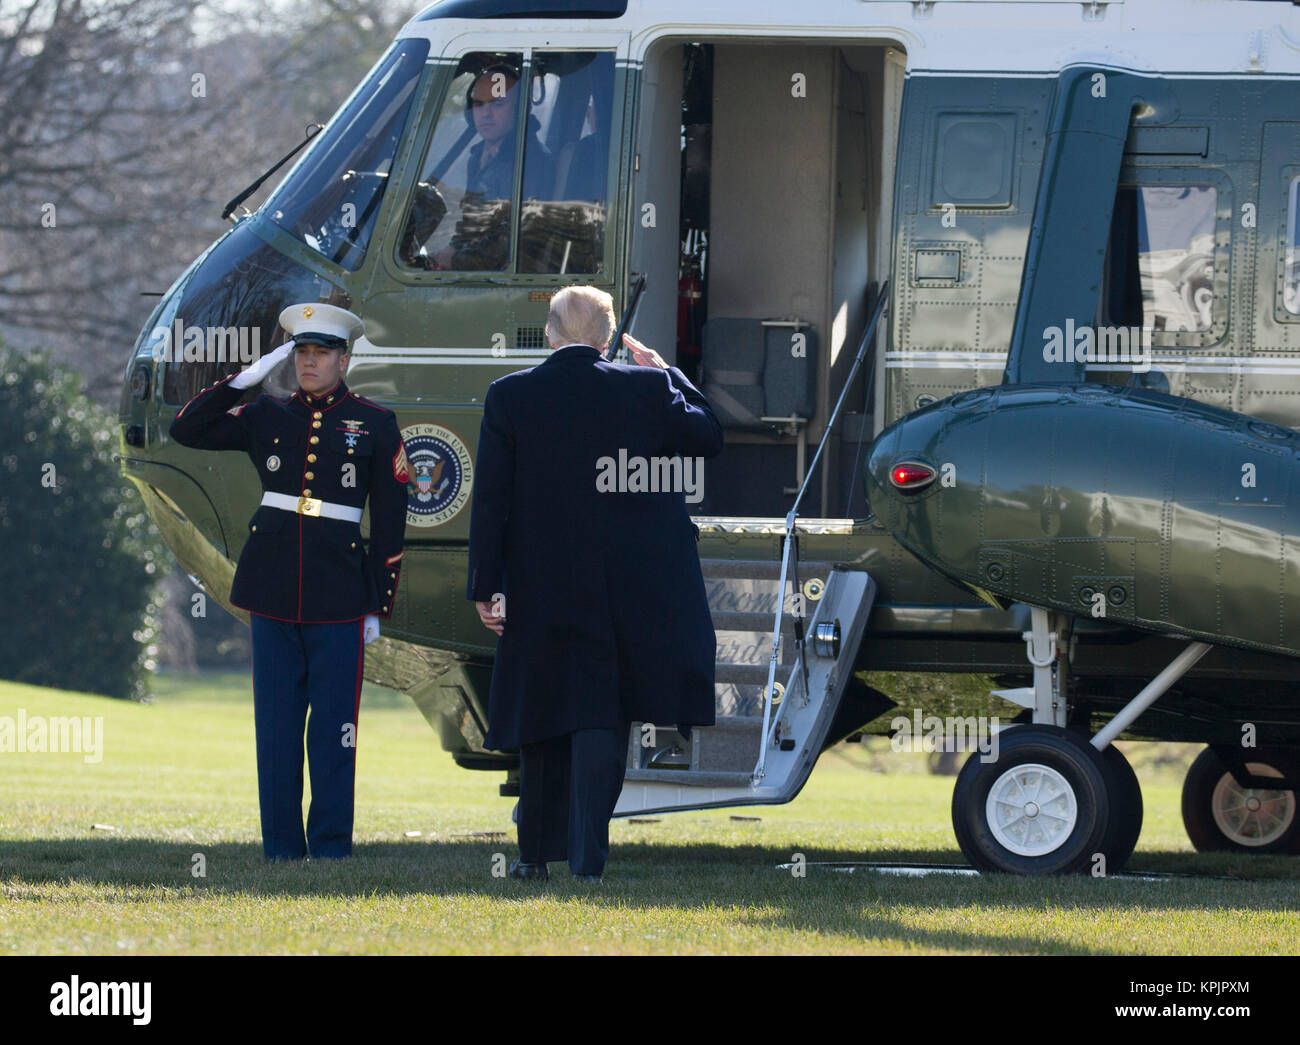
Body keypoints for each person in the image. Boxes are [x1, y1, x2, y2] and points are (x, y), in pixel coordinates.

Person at [467, 285, 724, 881]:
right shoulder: (646, 386)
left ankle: (533, 857)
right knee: (603, 717)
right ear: (607, 339)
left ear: (550, 334)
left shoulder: (510, 395)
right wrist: (669, 374)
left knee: (542, 713)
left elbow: (492, 503)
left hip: (539, 583)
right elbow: (709, 437)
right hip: (630, 590)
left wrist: (486, 584)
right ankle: (588, 860)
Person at [169, 302, 409, 860]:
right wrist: (243, 382)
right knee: (276, 728)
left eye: (321, 352)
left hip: (340, 592)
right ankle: (280, 847)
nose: (308, 362)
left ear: (343, 359)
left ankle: (329, 847)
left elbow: (392, 521)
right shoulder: (266, 413)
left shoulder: (376, 422)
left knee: (333, 730)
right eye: (301, 351)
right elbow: (188, 429)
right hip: (272, 586)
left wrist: (379, 604)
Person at [425, 65, 554, 271]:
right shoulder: (479, 156)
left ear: (521, 108)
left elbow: (515, 239)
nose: (486, 114)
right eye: (479, 104)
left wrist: (456, 261)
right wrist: (447, 252)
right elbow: (473, 221)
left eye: (498, 103)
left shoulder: (531, 162)